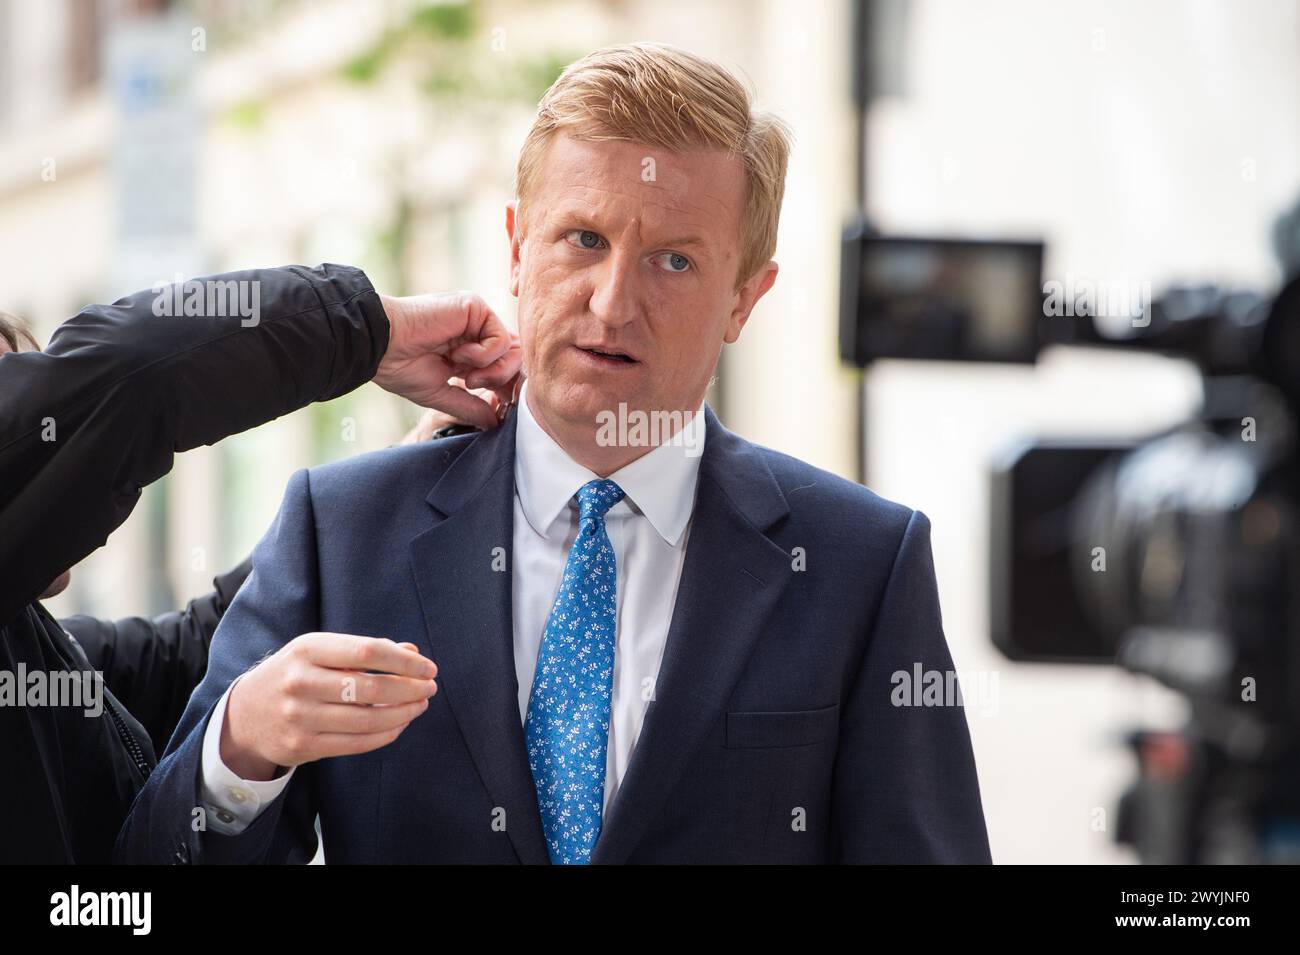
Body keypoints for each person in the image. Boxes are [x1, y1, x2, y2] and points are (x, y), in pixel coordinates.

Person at [118, 43, 992, 865]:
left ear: (744, 298)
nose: (613, 304)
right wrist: (241, 749)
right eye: (584, 239)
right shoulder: (341, 531)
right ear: (515, 248)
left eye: (674, 261)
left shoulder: (861, 567)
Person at [0, 267, 519, 863]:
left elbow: (199, 645)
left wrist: (363, 509)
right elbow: (117, 382)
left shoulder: (39, 653)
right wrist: (363, 328)